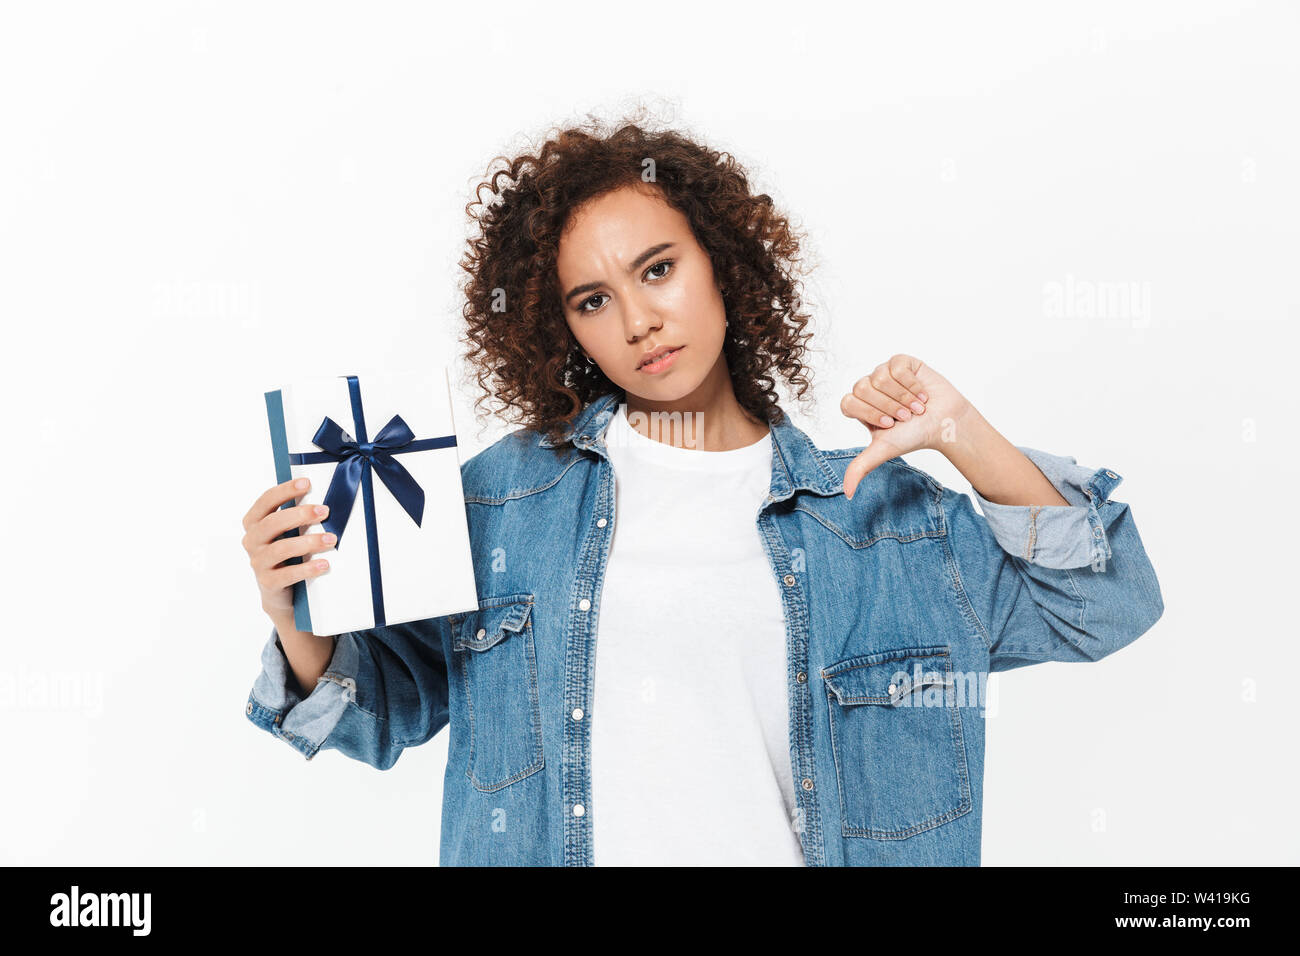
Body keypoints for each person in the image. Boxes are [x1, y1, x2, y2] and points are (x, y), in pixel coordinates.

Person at [240, 118, 1164, 866]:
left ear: (722, 262)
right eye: (591, 300)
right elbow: (379, 714)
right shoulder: (499, 502)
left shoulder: (883, 522)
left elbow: (1106, 604)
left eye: (657, 269)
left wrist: (962, 430)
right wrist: (299, 614)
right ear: (562, 329)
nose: (639, 319)